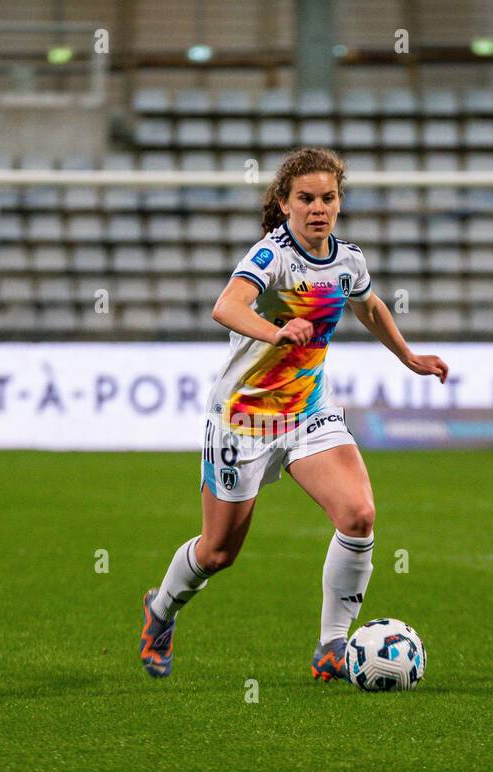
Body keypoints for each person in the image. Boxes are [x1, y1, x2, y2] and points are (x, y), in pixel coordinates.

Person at [138, 147, 448, 681]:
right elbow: (226, 306)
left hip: (309, 413)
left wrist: (409, 356)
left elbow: (369, 306)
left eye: (328, 198)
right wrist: (276, 330)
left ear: (339, 202)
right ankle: (161, 611)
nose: (317, 208)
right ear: (285, 203)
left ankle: (331, 645)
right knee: (217, 553)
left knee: (359, 516)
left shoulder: (347, 260)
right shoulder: (271, 256)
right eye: (305, 198)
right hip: (244, 420)